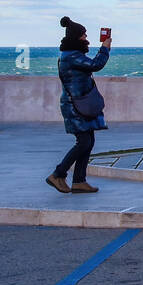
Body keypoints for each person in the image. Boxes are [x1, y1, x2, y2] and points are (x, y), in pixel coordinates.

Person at [46, 16, 110, 195]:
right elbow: (96, 65)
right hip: (75, 105)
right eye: (83, 35)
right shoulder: (72, 57)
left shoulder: (73, 55)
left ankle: (79, 181)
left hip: (80, 104)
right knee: (83, 142)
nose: (85, 38)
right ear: (76, 37)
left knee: (88, 141)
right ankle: (58, 174)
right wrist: (105, 49)